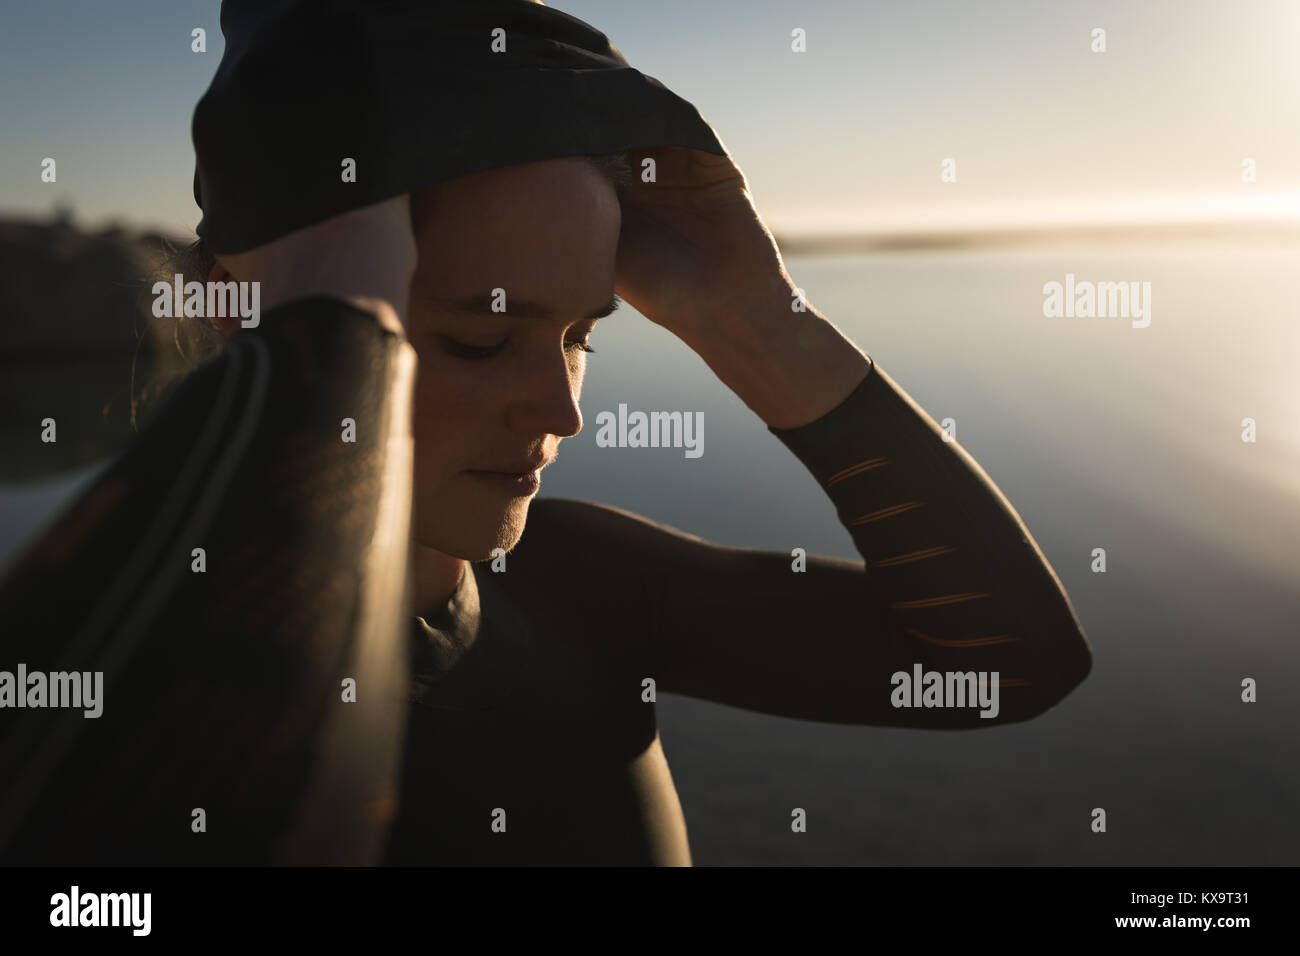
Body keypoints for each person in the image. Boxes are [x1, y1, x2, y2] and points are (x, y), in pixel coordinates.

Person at [0, 7, 1092, 867]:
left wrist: (760, 322)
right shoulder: (108, 669)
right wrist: (325, 325)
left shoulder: (569, 583)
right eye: (480, 337)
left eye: (579, 337)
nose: (561, 412)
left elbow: (1007, 662)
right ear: (284, 310)